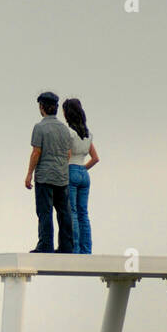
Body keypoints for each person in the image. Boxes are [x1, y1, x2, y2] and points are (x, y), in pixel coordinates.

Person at [25, 92, 74, 252]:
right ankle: (67, 245)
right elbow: (68, 153)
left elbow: (36, 152)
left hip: (45, 176)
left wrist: (29, 174)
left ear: (42, 107)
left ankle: (45, 244)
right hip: (62, 176)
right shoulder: (64, 129)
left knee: (45, 212)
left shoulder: (39, 128)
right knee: (64, 212)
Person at [62, 97, 99, 254]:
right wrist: (82, 169)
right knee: (84, 213)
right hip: (84, 173)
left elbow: (68, 155)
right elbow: (95, 158)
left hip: (71, 170)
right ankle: (86, 249)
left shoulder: (69, 132)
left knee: (73, 212)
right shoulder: (87, 133)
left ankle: (75, 248)